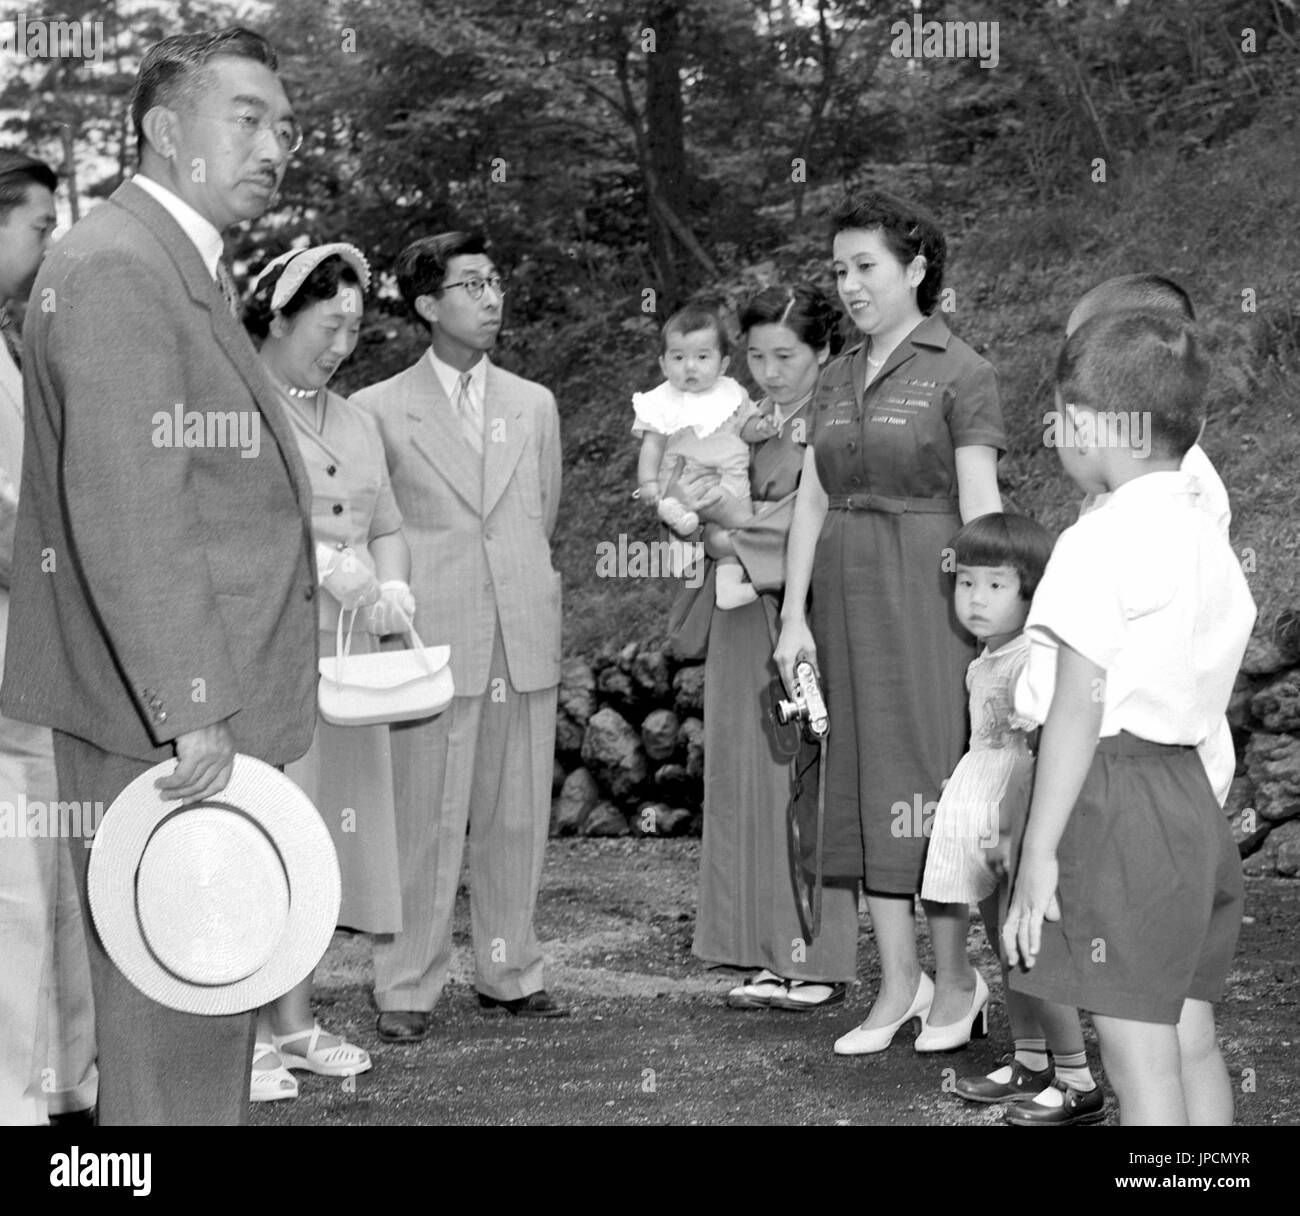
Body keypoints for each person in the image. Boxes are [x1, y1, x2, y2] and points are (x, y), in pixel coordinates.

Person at [0, 28, 319, 1125]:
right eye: (247, 117)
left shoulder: (161, 261)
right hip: (168, 723)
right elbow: (132, 511)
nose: (275, 143)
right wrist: (191, 709)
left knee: (196, 1009)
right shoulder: (124, 267)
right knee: (168, 1029)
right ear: (163, 127)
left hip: (178, 712)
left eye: (283, 125)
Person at [1003, 310, 1255, 1125]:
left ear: (1092, 425)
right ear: (1195, 424)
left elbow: (1079, 703)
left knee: (1136, 1062)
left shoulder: (1100, 540)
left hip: (1113, 799)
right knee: (1188, 1041)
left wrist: (1037, 851)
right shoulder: (1206, 534)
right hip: (1187, 797)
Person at [773, 190, 1005, 1055]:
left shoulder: (962, 370)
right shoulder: (834, 375)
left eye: (865, 266)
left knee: (929, 782)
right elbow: (811, 499)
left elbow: (980, 501)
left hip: (932, 593)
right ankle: (896, 984)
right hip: (844, 593)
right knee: (866, 781)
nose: (850, 284)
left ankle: (957, 982)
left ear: (916, 271)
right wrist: (793, 617)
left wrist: (998, 618)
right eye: (840, 269)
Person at [353, 231, 566, 1040]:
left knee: (516, 817)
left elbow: (538, 516)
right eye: (469, 285)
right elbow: (377, 528)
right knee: (426, 817)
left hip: (522, 630)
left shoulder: (533, 403)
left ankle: (509, 971)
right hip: (429, 640)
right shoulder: (377, 410)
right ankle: (405, 985)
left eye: (495, 280)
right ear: (426, 305)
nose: (490, 297)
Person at [242, 242, 413, 1099]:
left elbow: (385, 521)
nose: (342, 341)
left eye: (353, 325)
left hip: (344, 661)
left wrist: (391, 584)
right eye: (327, 322)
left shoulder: (352, 419)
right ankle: (241, 1037)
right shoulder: (237, 401)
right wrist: (317, 557)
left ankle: (296, 1023)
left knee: (312, 845)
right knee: (256, 839)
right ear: (278, 315)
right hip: (263, 648)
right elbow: (224, 523)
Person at [686, 285, 859, 1011]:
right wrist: (704, 516)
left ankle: (814, 957)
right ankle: (761, 950)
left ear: (825, 351)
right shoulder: (752, 421)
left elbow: (815, 519)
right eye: (756, 354)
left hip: (799, 609)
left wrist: (729, 526)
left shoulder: (837, 421)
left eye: (786, 354)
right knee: (743, 779)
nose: (770, 369)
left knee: (802, 777)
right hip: (738, 609)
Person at [923, 514, 1105, 1125]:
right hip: (982, 797)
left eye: (996, 585)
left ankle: (1077, 1077)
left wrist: (1007, 826)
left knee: (1029, 947)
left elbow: (1032, 754)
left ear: (1033, 589)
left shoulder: (1031, 656)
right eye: (966, 582)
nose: (975, 598)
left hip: (1016, 813)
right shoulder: (988, 654)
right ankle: (1030, 1060)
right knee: (1006, 947)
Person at [0, 150, 98, 1126]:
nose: (45, 244)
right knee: (19, 883)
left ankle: (67, 1071)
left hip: (35, 641)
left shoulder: (14, 343)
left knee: (57, 861)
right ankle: (17, 1093)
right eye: (36, 224)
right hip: (14, 639)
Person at [634, 303, 776, 606]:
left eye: (702, 357)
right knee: (734, 522)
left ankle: (728, 587)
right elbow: (653, 445)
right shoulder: (662, 402)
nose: (690, 366)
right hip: (688, 484)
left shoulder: (732, 393)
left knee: (723, 536)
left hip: (730, 482)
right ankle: (760, 537)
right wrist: (647, 483)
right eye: (678, 357)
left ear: (723, 364)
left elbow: (745, 426)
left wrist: (760, 428)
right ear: (663, 364)